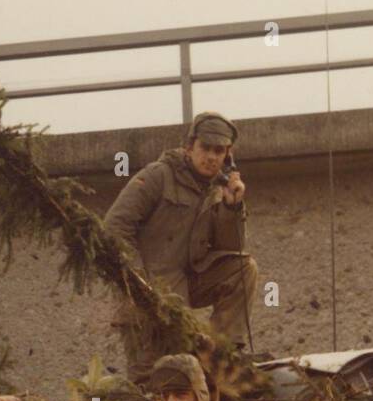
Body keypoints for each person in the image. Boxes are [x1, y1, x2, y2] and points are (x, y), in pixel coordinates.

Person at [104, 111, 259, 382]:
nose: (211, 157)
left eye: (219, 151)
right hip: (144, 299)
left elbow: (228, 248)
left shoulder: (216, 189)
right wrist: (140, 285)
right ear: (190, 147)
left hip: (183, 291)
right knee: (155, 383)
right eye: (205, 148)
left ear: (228, 155)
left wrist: (231, 207)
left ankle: (221, 353)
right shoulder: (157, 176)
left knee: (243, 269)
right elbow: (114, 227)